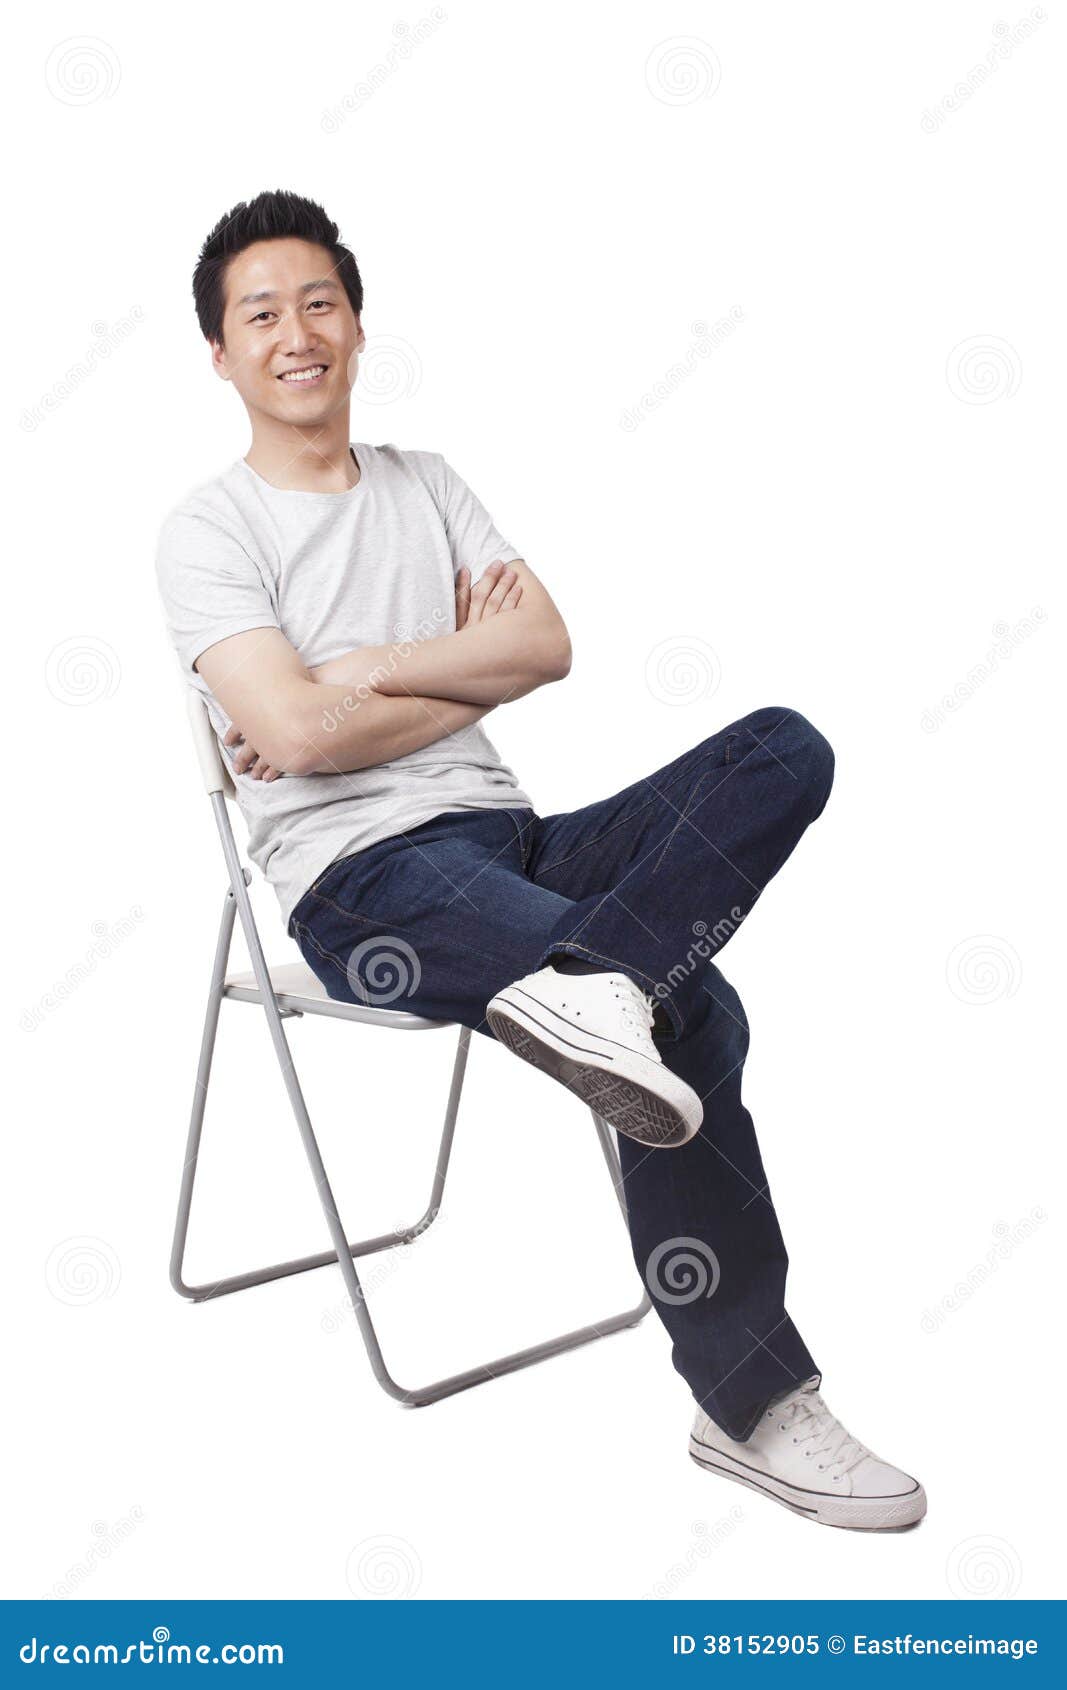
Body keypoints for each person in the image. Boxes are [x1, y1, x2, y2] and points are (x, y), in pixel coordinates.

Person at [156, 189, 925, 1531]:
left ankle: (593, 983)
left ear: (358, 325)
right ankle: (752, 1400)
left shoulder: (428, 482)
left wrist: (364, 669)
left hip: (512, 841)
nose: (297, 333)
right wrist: (450, 672)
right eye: (261, 314)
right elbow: (291, 736)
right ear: (220, 354)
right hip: (364, 882)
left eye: (320, 303)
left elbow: (546, 647)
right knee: (695, 1010)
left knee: (781, 749)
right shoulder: (209, 530)